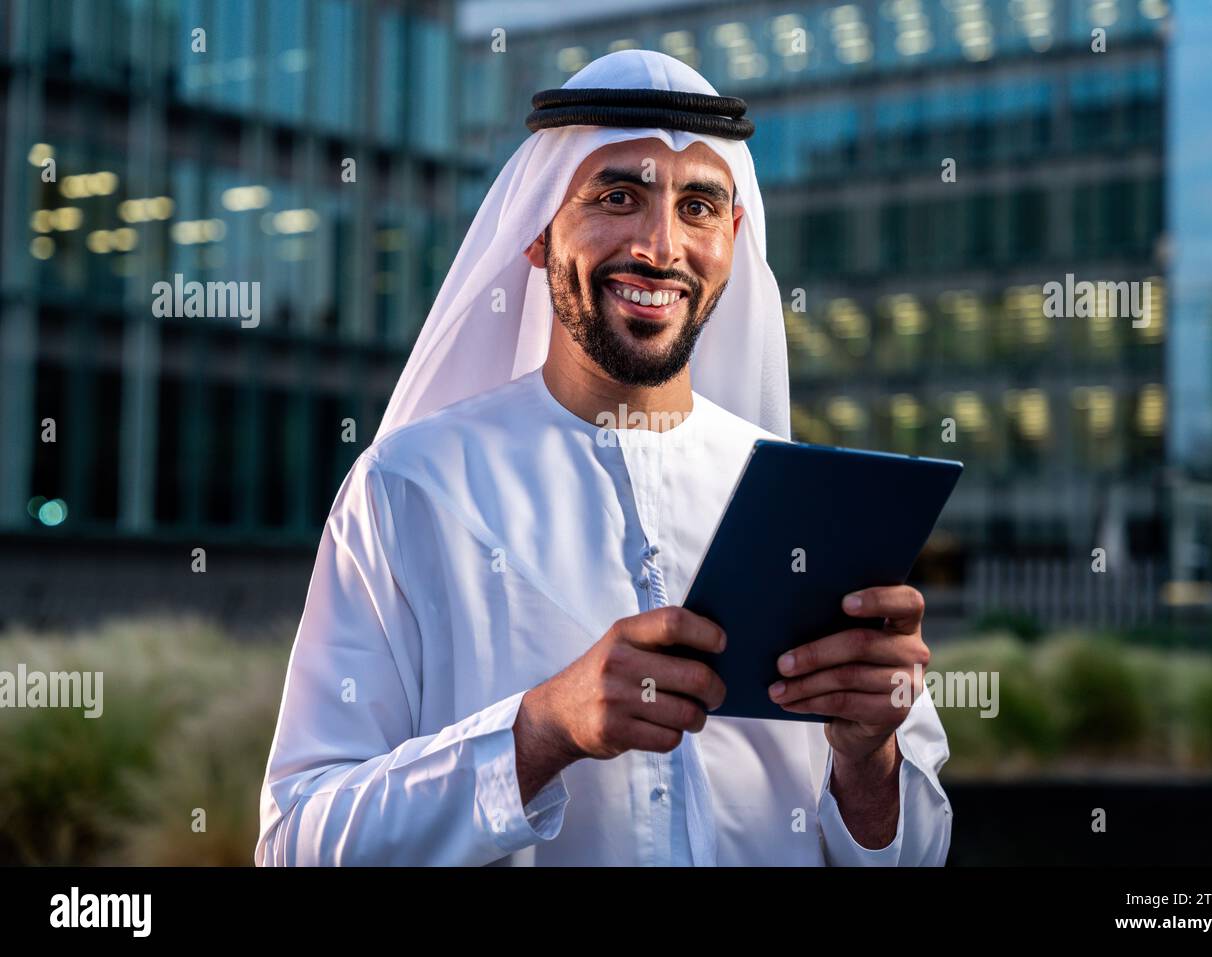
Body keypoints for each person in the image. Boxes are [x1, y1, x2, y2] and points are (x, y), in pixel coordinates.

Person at [255, 49, 952, 866]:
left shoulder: (809, 502)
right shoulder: (408, 489)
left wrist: (868, 756)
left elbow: (913, 853)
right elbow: (295, 840)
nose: (660, 247)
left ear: (732, 237)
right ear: (537, 234)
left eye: (697, 205)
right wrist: (540, 730)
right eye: (618, 196)